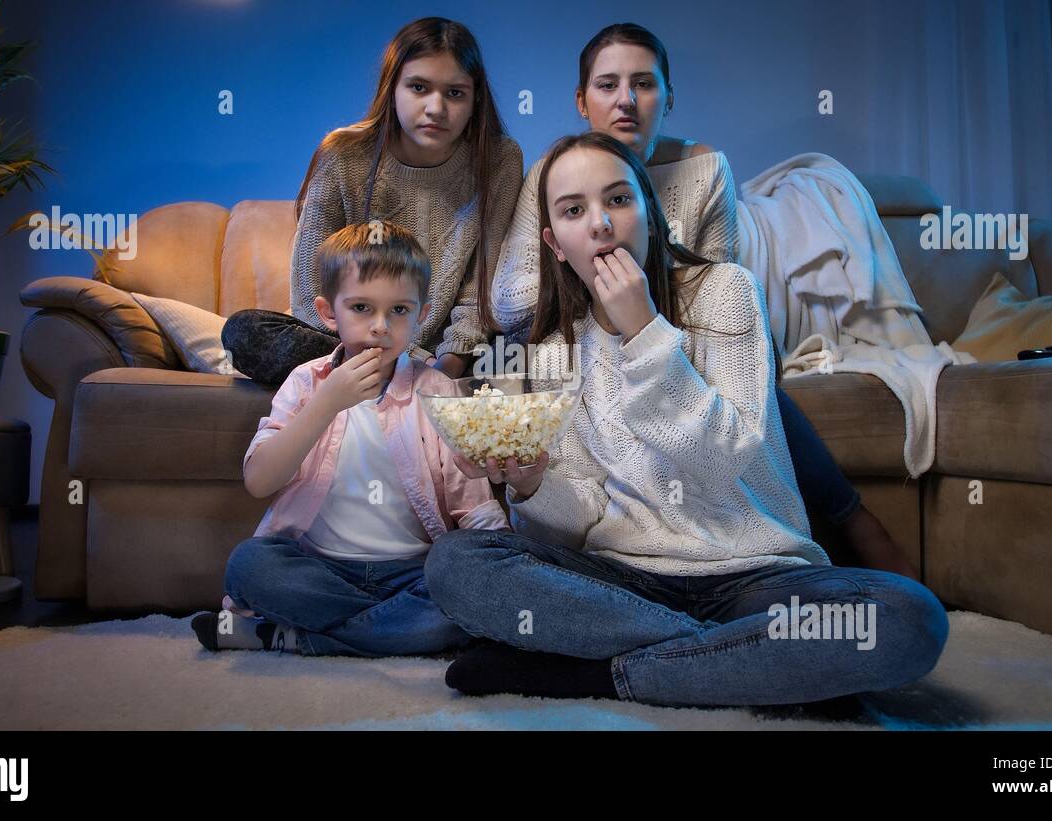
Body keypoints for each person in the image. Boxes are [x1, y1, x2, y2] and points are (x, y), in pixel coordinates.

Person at [424, 132, 948, 706]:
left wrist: (645, 333)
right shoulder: (553, 353)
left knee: (909, 619)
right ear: (554, 242)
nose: (600, 223)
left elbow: (729, 462)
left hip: (756, 577)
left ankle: (594, 676)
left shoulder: (727, 293)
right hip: (623, 585)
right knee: (456, 564)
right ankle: (735, 663)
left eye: (619, 200)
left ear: (651, 213)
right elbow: (580, 524)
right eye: (574, 210)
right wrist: (531, 484)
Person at [488, 23, 913, 578]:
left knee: (903, 619)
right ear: (581, 101)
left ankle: (845, 525)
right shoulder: (551, 175)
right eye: (607, 85)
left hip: (691, 333)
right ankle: (691, 643)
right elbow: (512, 302)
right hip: (587, 333)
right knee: (468, 564)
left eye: (643, 84)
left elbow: (714, 274)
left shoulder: (707, 179)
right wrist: (532, 483)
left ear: (667, 96)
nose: (626, 100)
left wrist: (646, 315)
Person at [192, 221, 508, 657]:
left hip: (412, 572)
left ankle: (294, 638)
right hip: (320, 568)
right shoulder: (306, 382)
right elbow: (259, 481)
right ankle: (392, 631)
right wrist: (328, 402)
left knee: (469, 590)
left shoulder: (435, 390)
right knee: (249, 565)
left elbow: (469, 502)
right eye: (361, 307)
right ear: (328, 313)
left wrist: (500, 566)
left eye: (399, 310)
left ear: (421, 314)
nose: (380, 326)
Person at [222, 16, 522, 386]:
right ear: (392, 88)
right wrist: (409, 362)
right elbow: (311, 288)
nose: (436, 108)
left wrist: (445, 369)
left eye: (455, 93)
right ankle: (396, 380)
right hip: (351, 341)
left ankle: (398, 382)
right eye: (418, 87)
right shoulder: (344, 154)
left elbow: (482, 288)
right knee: (245, 332)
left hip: (449, 355)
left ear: (476, 99)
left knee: (525, 351)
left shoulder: (499, 160)